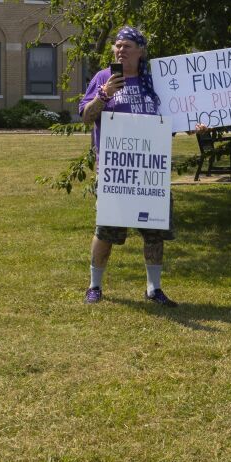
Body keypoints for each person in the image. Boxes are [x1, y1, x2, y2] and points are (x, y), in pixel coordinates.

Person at [78, 26, 178, 306]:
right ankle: (94, 286)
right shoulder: (103, 77)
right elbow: (86, 117)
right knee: (106, 230)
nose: (120, 50)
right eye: (118, 46)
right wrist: (104, 95)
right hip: (115, 170)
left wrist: (196, 125)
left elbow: (171, 122)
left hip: (150, 171)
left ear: (141, 51)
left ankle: (153, 289)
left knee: (154, 232)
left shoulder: (154, 82)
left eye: (127, 46)